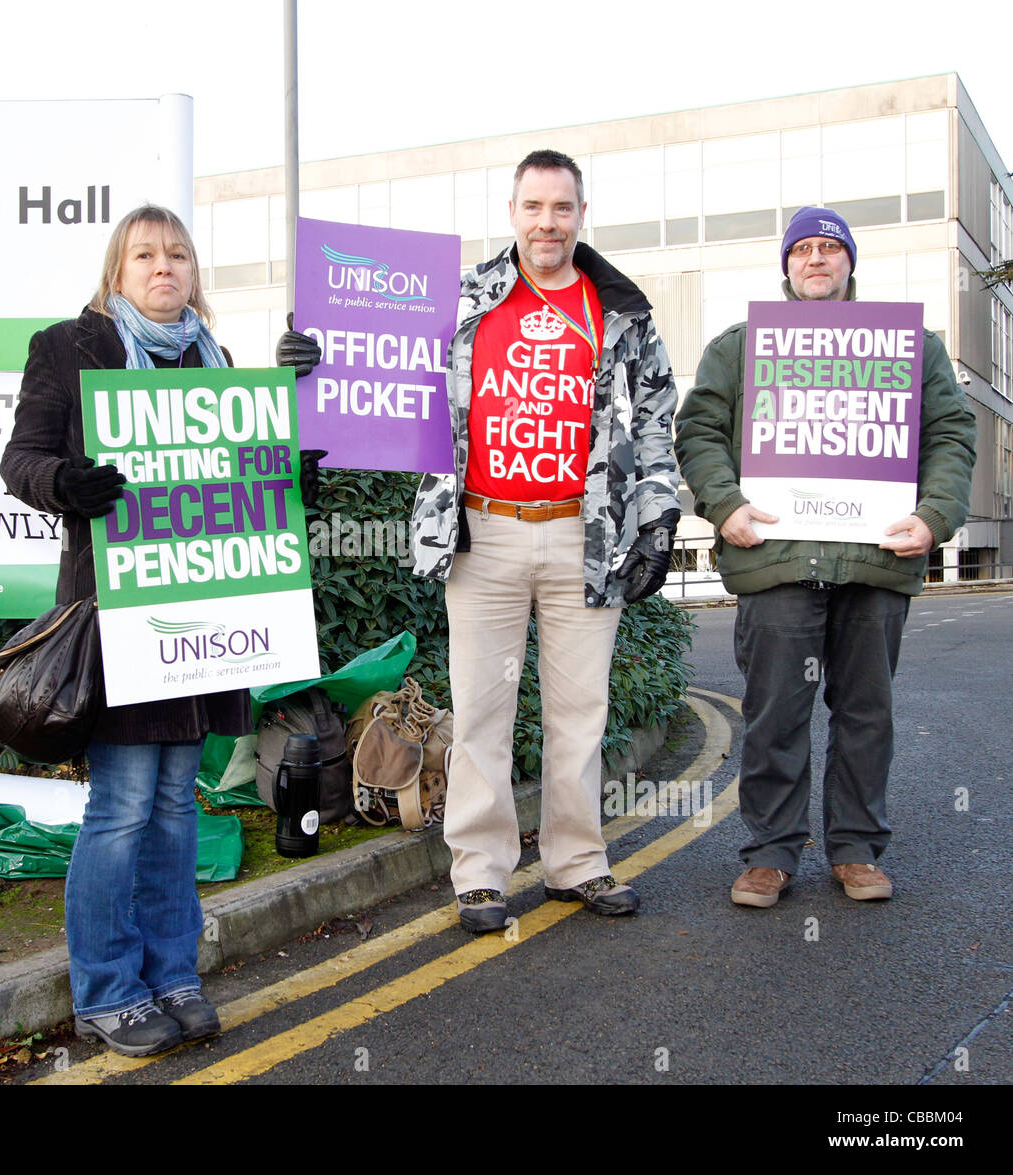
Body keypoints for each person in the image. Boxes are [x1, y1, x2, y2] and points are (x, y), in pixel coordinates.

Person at [283, 149, 682, 932]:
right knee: (481, 711)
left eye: (561, 207)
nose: (547, 221)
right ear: (512, 213)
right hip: (483, 534)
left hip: (585, 535)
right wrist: (313, 369)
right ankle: (481, 872)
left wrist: (660, 517)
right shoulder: (461, 298)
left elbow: (660, 415)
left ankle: (577, 862)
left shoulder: (620, 309)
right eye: (533, 206)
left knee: (580, 712)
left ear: (581, 214)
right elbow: (383, 369)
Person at [0, 204, 250, 1055]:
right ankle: (108, 989)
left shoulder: (218, 364)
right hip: (118, 613)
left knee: (178, 805)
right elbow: (20, 461)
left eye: (178, 253)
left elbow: (242, 481)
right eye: (144, 254)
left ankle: (173, 974)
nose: (164, 267)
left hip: (205, 608)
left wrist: (290, 466)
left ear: (194, 270)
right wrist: (69, 482)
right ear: (118, 269)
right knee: (123, 807)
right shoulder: (70, 348)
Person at [674, 206, 976, 908]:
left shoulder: (912, 347)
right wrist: (725, 505)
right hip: (777, 557)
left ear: (849, 263)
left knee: (867, 711)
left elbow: (952, 434)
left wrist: (935, 517)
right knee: (776, 712)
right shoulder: (740, 346)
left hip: (875, 560)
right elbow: (699, 431)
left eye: (830, 248)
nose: (816, 258)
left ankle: (856, 847)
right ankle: (770, 853)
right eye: (803, 248)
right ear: (786, 264)